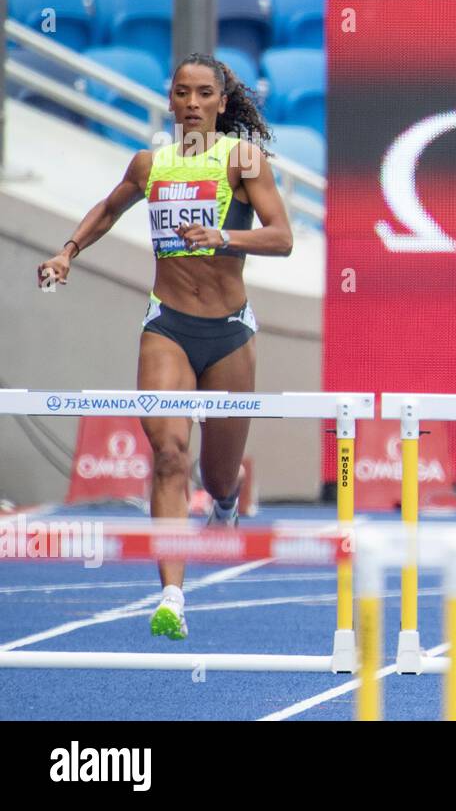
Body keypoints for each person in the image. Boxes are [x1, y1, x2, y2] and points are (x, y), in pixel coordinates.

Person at [37, 54, 293, 637]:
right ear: (171, 100)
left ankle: (223, 507)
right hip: (168, 326)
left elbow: (282, 238)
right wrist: (67, 252)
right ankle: (172, 598)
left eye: (206, 93)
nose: (194, 103)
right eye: (184, 93)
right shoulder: (151, 162)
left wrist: (224, 234)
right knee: (171, 454)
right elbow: (108, 208)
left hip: (229, 332)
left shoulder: (244, 160)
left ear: (223, 103)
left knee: (219, 472)